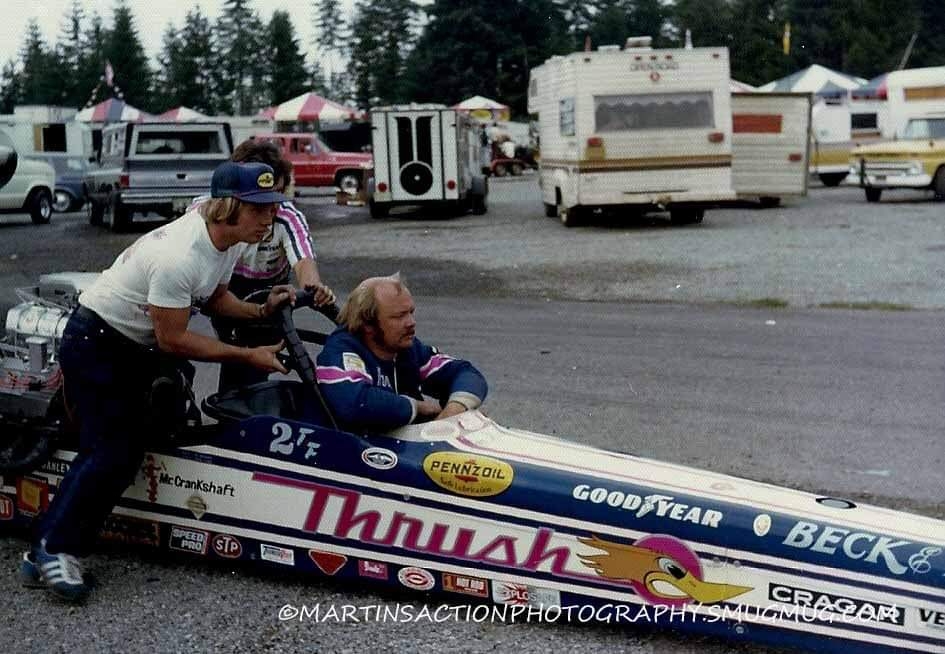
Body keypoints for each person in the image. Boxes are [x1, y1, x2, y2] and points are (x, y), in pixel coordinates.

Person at [20, 161, 295, 602]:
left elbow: (216, 296)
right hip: (98, 341)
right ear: (230, 207)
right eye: (260, 209)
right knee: (111, 450)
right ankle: (56, 549)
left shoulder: (227, 241)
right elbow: (175, 339)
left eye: (272, 207)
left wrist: (260, 311)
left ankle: (47, 544)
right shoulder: (179, 256)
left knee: (133, 439)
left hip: (130, 342)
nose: (270, 218)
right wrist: (248, 354)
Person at [192, 139, 334, 390]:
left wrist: (315, 289)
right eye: (259, 200)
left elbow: (303, 261)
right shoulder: (206, 210)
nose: (272, 207)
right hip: (225, 287)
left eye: (277, 194)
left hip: (268, 291)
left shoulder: (287, 216)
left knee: (255, 362)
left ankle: (244, 409)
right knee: (234, 353)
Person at [315, 274, 487, 433]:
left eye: (411, 312)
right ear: (368, 324)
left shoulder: (406, 349)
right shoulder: (340, 351)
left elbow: (466, 373)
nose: (411, 323)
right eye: (399, 316)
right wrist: (418, 408)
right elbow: (354, 403)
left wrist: (453, 410)